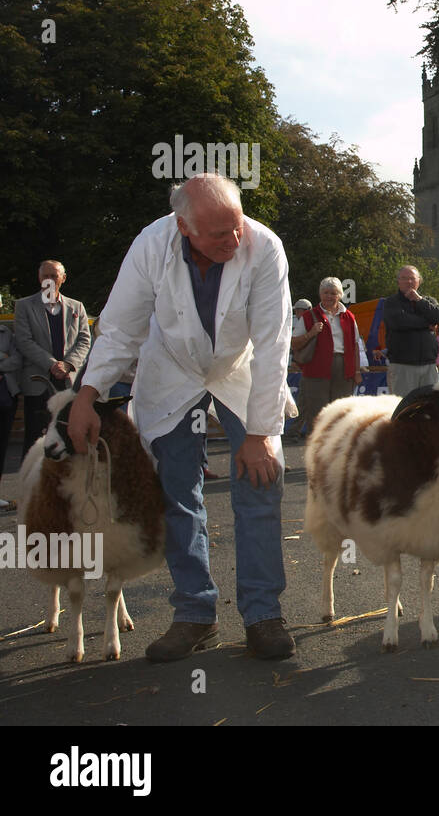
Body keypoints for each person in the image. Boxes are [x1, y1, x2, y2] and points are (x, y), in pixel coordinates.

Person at [66, 173, 296, 660]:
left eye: (237, 226)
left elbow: (274, 343)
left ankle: (263, 614)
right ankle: (195, 612)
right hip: (172, 371)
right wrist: (87, 396)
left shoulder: (266, 247)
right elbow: (121, 327)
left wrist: (259, 433)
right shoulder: (151, 245)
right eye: (218, 234)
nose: (234, 240)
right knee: (177, 491)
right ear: (183, 226)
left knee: (260, 480)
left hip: (239, 369)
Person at [14, 260, 93, 454]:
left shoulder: (77, 307)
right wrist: (52, 365)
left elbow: (84, 340)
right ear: (39, 278)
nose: (49, 280)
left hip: (68, 383)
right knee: (34, 439)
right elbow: (24, 341)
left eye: (54, 276)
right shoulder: (24, 306)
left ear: (63, 279)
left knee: (68, 436)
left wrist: (67, 365)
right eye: (45, 276)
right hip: (38, 383)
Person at [291, 276, 367, 438]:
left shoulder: (349, 316)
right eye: (325, 292)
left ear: (339, 295)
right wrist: (311, 333)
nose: (329, 296)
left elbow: (354, 346)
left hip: (344, 368)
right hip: (316, 368)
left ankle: (338, 449)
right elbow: (294, 344)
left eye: (333, 293)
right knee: (317, 412)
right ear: (320, 294)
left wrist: (357, 371)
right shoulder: (309, 316)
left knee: (341, 411)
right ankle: (316, 451)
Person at [382, 265, 439, 397]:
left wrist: (419, 300)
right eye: (404, 278)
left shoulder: (429, 301)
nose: (408, 282)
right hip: (402, 365)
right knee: (402, 408)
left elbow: (438, 316)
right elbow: (399, 322)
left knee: (429, 407)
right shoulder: (390, 302)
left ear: (419, 281)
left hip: (429, 366)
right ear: (398, 281)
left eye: (412, 278)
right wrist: (427, 322)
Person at [0, 294, 22, 512]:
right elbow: (8, 359)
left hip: (6, 397)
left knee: (2, 446)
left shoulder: (7, 333)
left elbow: (16, 360)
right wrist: (2, 357)